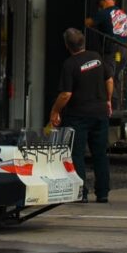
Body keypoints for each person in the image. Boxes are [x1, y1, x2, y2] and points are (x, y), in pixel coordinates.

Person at [49, 29, 114, 204]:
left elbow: (66, 94)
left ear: (67, 45)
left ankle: (81, 192)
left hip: (78, 115)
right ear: (83, 42)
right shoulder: (97, 57)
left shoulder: (70, 64)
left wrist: (55, 111)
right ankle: (103, 193)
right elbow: (109, 80)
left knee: (77, 154)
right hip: (100, 113)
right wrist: (108, 100)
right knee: (100, 153)